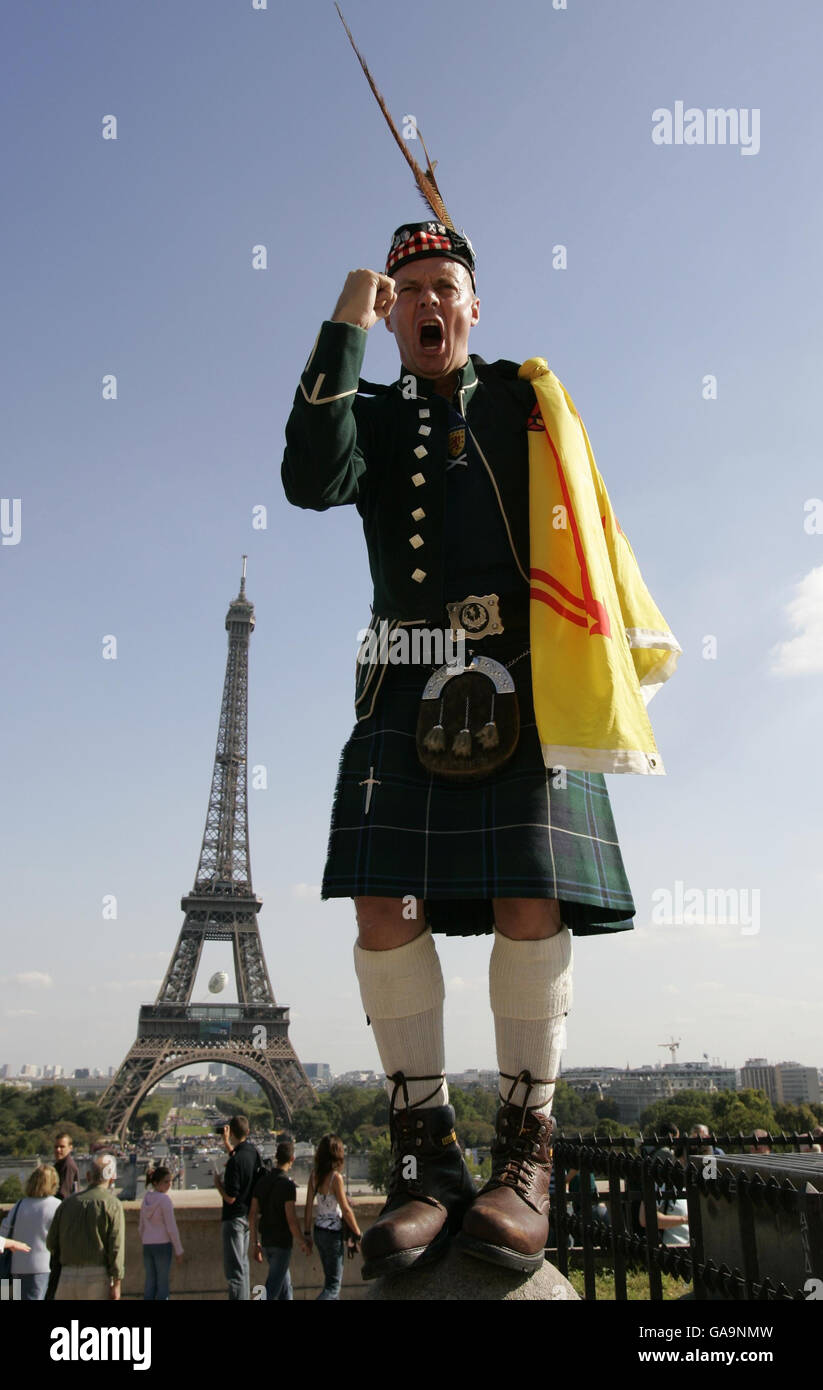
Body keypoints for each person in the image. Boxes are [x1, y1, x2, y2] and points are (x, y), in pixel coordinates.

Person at [281, 217, 677, 1277]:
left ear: (471, 306)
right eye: (405, 291)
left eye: (442, 286)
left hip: (518, 674)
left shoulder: (522, 400)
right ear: (390, 309)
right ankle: (425, 1165)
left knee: (526, 899)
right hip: (407, 676)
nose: (424, 302)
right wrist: (342, 322)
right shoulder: (364, 406)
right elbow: (310, 480)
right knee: (381, 903)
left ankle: (522, 1155)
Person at [46, 1153, 125, 1300]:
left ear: (88, 1176)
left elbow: (51, 1242)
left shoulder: (67, 1204)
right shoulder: (112, 1204)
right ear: (112, 1177)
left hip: (66, 1275)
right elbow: (116, 1247)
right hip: (97, 1275)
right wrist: (117, 1282)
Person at [250, 1137, 310, 1301]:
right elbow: (291, 1219)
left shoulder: (261, 1182)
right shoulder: (288, 1186)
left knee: (285, 1287)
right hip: (282, 1243)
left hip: (267, 1240)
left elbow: (253, 1214)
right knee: (272, 1289)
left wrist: (255, 1243)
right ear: (292, 1159)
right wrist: (302, 1241)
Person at [304, 1135, 361, 1300]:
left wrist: (307, 1234)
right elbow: (346, 1210)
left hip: (319, 1232)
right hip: (333, 1233)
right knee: (333, 1287)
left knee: (329, 1281)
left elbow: (309, 1207)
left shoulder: (314, 1175)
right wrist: (358, 1232)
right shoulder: (336, 1178)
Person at [213, 1115, 261, 1301]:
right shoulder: (252, 1153)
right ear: (248, 1132)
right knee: (243, 1267)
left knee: (234, 1272)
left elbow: (230, 1198)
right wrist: (227, 1144)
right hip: (248, 1215)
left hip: (233, 1218)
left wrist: (218, 1184)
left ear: (231, 1132)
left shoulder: (234, 1161)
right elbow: (241, 1159)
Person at [0, 1164, 59, 1299]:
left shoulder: (20, 1204)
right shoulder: (55, 1205)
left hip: (17, 1266)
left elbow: (4, 1231)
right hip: (41, 1266)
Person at [139, 1165, 183, 1300]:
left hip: (148, 1245)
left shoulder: (145, 1199)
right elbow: (171, 1227)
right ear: (156, 1183)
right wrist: (178, 1250)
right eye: (166, 1181)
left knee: (150, 1283)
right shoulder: (165, 1200)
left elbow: (141, 1227)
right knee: (163, 1284)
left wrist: (145, 1239)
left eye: (170, 1181)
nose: (169, 1184)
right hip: (162, 1244)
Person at [53, 1134, 80, 1201]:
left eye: (62, 1147)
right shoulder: (59, 1165)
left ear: (70, 1148)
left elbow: (63, 1194)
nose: (58, 1150)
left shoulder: (68, 1166)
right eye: (56, 1147)